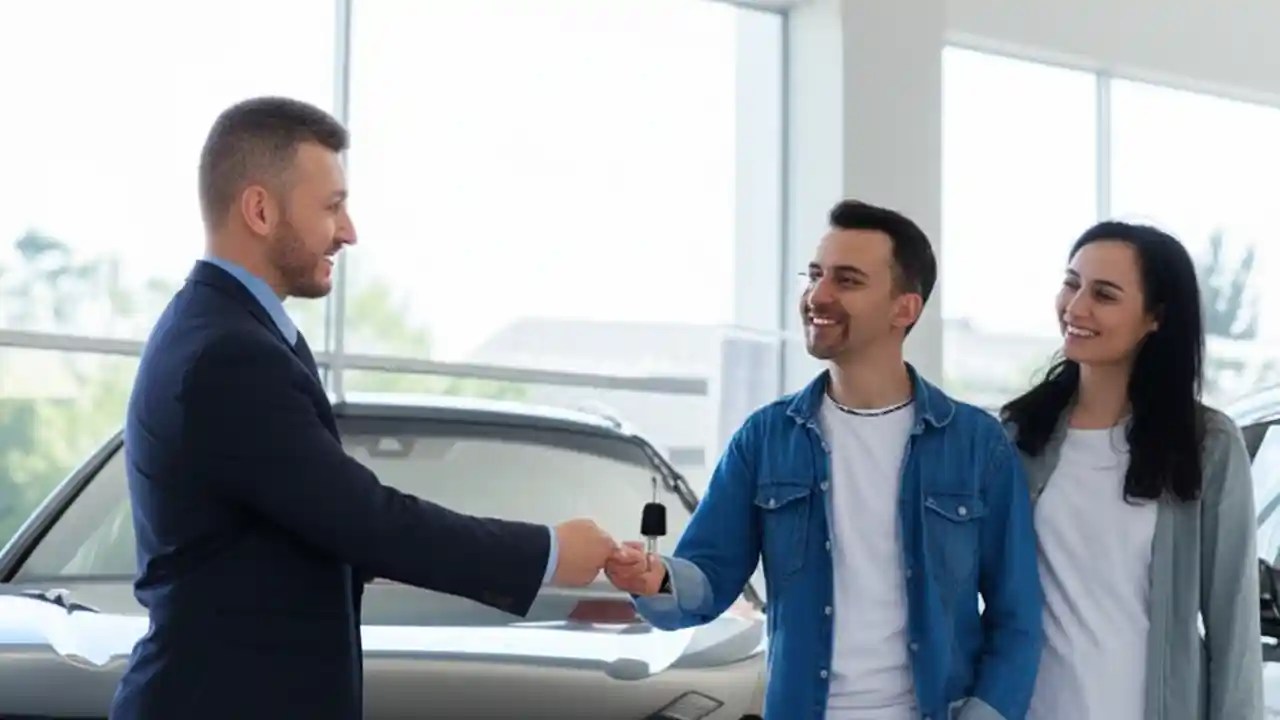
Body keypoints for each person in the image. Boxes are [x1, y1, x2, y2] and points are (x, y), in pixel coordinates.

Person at [109, 96, 617, 720]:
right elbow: (365, 521)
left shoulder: (226, 333)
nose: (349, 231)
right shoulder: (227, 355)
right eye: (332, 206)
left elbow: (315, 530)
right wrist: (548, 553)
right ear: (260, 209)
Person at [606, 200, 1044, 720]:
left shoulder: (977, 445)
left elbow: (1017, 618)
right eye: (814, 275)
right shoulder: (765, 438)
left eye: (847, 280)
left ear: (904, 309)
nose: (818, 295)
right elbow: (708, 578)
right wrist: (652, 578)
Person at [1000, 221, 1263, 720]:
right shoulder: (1017, 435)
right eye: (1072, 283)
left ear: (1155, 318)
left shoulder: (1207, 445)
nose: (1076, 308)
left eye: (1104, 294)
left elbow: (1234, 629)